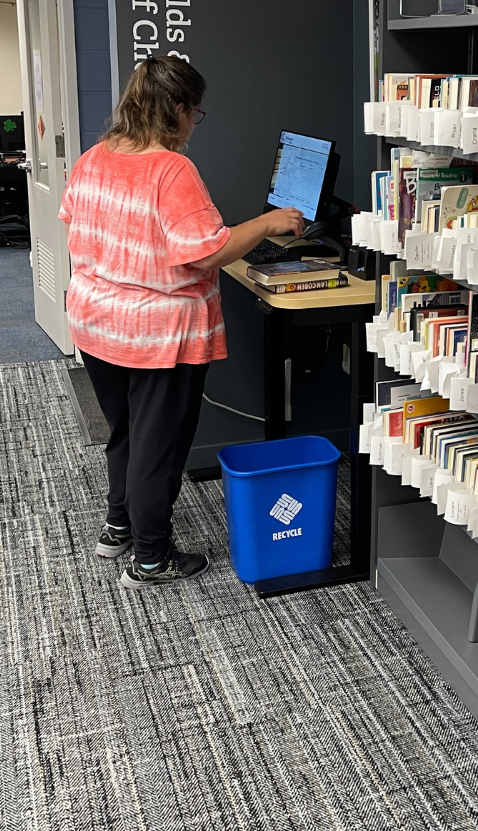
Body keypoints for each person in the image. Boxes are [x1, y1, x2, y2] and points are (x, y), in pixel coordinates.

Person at [58, 56, 304, 589]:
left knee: (125, 432)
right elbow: (205, 252)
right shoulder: (172, 169)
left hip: (96, 321)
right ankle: (151, 559)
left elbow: (78, 224)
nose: (195, 122)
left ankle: (117, 526)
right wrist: (269, 222)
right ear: (174, 110)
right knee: (158, 448)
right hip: (155, 333)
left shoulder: (92, 158)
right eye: (195, 112)